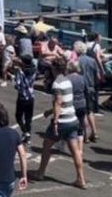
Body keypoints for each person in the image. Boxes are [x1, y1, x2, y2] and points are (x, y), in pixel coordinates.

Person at [36, 56, 86, 189]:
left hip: (63, 120)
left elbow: (58, 103)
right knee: (75, 151)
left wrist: (55, 122)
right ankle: (81, 178)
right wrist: (49, 111)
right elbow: (65, 102)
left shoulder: (57, 84)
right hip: (72, 119)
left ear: (54, 68)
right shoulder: (67, 81)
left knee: (46, 145)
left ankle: (41, 173)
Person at [75, 41, 101, 143]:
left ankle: (85, 135)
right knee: (90, 112)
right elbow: (98, 76)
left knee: (83, 113)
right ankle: (94, 132)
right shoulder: (92, 61)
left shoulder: (77, 61)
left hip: (81, 88)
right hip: (91, 88)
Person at [12, 54, 37, 143]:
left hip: (22, 97)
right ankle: (28, 135)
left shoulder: (20, 72)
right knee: (28, 118)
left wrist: (14, 76)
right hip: (31, 97)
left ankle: (25, 132)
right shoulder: (33, 70)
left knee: (18, 116)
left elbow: (17, 86)